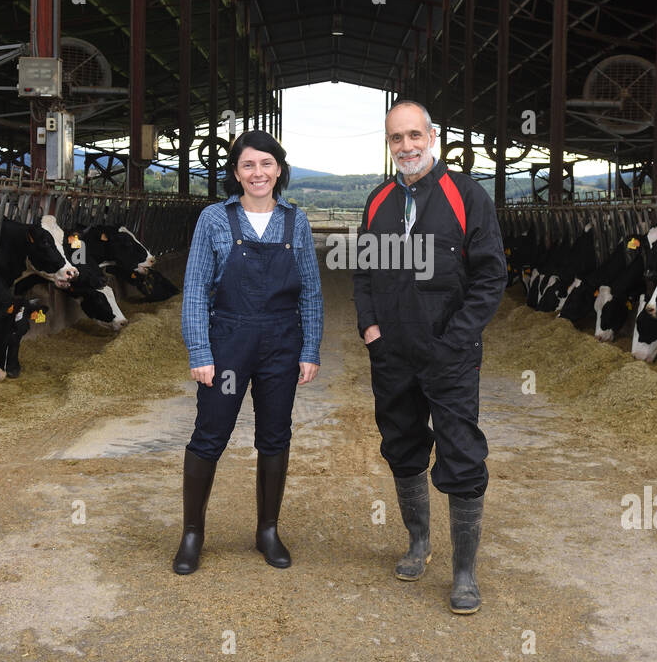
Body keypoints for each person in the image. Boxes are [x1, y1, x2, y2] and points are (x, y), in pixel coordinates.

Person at [354, 100, 507, 614]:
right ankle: (418, 542)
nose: (406, 146)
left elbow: (490, 278)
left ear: (433, 136)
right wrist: (370, 327)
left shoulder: (466, 196)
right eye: (396, 138)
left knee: (462, 453)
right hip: (392, 353)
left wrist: (456, 340)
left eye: (414, 135)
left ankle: (464, 571)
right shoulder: (378, 201)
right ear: (389, 144)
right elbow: (364, 272)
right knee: (401, 443)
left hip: (451, 354)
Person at [175, 130, 323, 575]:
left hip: (281, 344)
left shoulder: (296, 222)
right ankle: (192, 533)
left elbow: (311, 292)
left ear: (279, 169)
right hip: (229, 346)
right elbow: (196, 290)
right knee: (210, 434)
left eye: (266, 164)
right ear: (236, 173)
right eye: (247, 165)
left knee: (275, 435)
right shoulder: (215, 219)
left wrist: (310, 348)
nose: (258, 173)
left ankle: (268, 531)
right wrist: (200, 351)